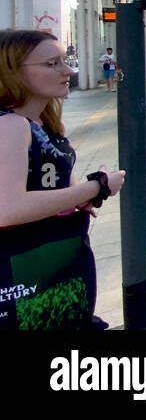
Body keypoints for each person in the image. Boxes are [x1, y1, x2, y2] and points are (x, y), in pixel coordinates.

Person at [0, 30, 126, 330]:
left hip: (52, 262)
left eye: (64, 61)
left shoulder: (42, 122)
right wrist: (96, 186)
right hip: (23, 273)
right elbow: (7, 208)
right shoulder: (10, 125)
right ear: (12, 71)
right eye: (52, 64)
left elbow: (43, 184)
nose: (68, 70)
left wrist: (76, 197)